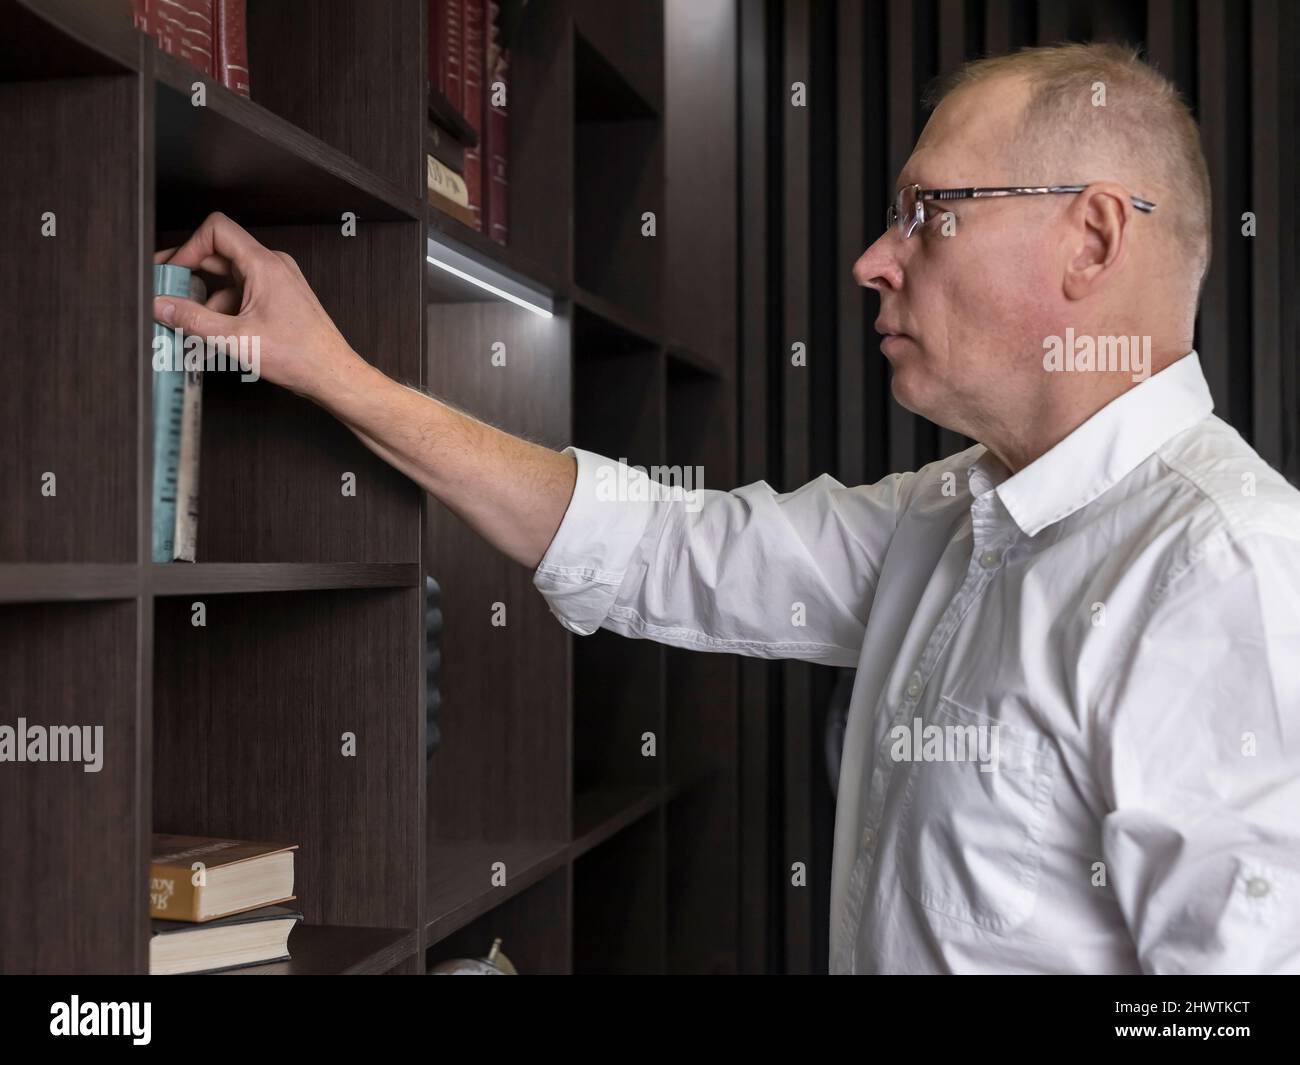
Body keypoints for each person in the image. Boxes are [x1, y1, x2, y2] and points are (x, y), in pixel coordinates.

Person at [152, 42, 1300, 974]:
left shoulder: (1225, 571)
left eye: (925, 212)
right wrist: (331, 371)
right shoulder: (948, 515)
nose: (871, 260)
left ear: (1091, 239)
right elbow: (650, 545)